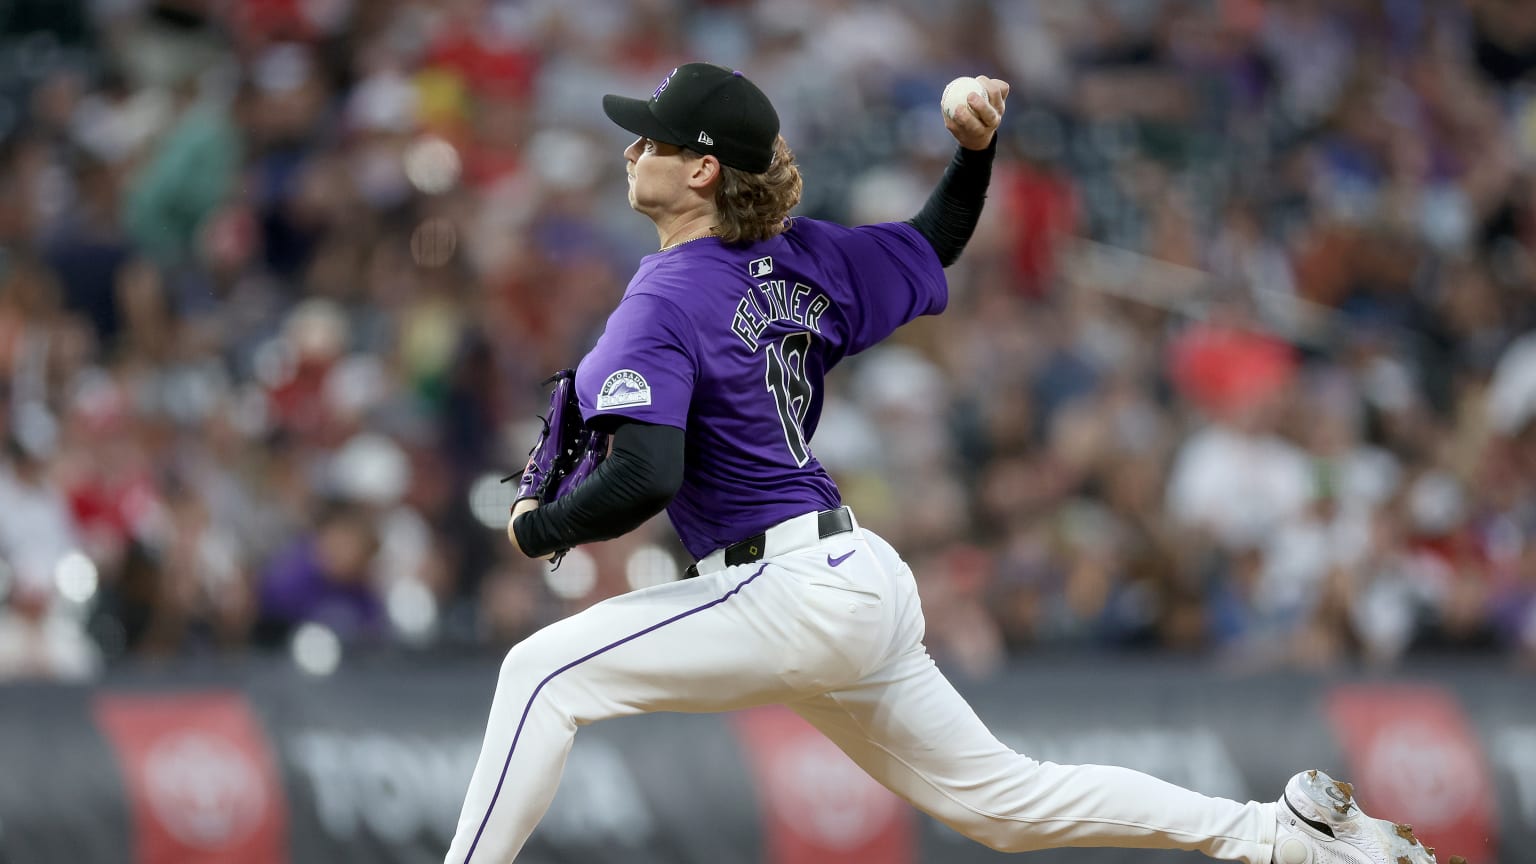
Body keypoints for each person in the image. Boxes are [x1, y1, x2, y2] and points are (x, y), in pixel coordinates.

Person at [444, 63, 1444, 864]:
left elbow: (647, 477)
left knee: (540, 673)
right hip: (855, 578)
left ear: (703, 169)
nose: (631, 147)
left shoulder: (660, 299)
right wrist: (976, 151)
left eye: (653, 137)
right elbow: (938, 237)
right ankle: (1275, 836)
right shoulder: (800, 260)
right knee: (1006, 805)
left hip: (782, 589)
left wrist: (543, 525)